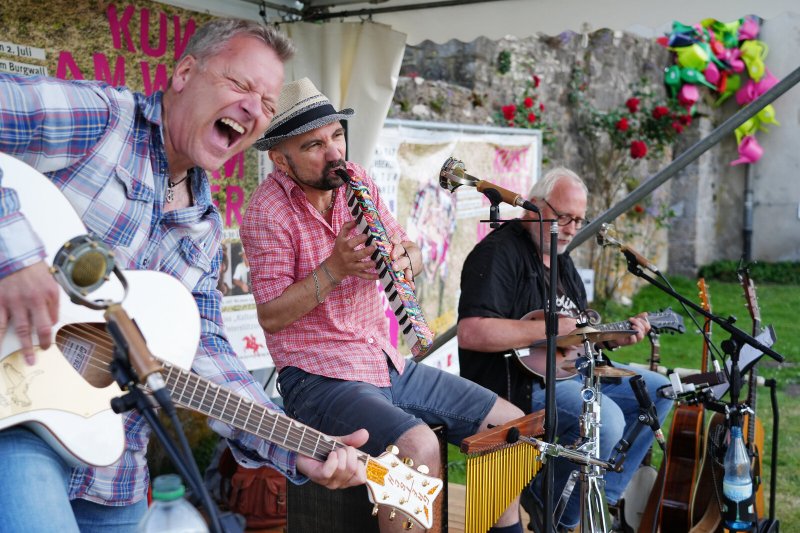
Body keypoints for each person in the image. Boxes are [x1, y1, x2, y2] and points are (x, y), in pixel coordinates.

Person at [0, 18, 367, 532]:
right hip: (14, 427)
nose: (252, 108)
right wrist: (13, 255)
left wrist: (295, 448)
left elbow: (207, 353)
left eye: (266, 103)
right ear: (184, 73)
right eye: (240, 84)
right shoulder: (103, 120)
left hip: (113, 468)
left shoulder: (204, 227)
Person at [240, 77, 527, 533]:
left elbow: (410, 250)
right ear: (280, 158)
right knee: (417, 448)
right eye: (314, 145)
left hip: (383, 361)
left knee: (511, 429)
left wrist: (403, 260)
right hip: (317, 379)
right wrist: (334, 269)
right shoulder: (266, 211)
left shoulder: (356, 180)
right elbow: (270, 316)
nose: (334, 152)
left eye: (337, 136)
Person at [457, 167, 673, 532]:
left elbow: (576, 336)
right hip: (518, 382)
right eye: (564, 217)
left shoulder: (562, 260)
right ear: (534, 206)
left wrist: (611, 338)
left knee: (659, 390)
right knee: (607, 421)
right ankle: (557, 513)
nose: (572, 228)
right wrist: (547, 329)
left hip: (571, 371)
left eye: (579, 219)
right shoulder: (498, 253)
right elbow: (472, 332)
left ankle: (599, 496)